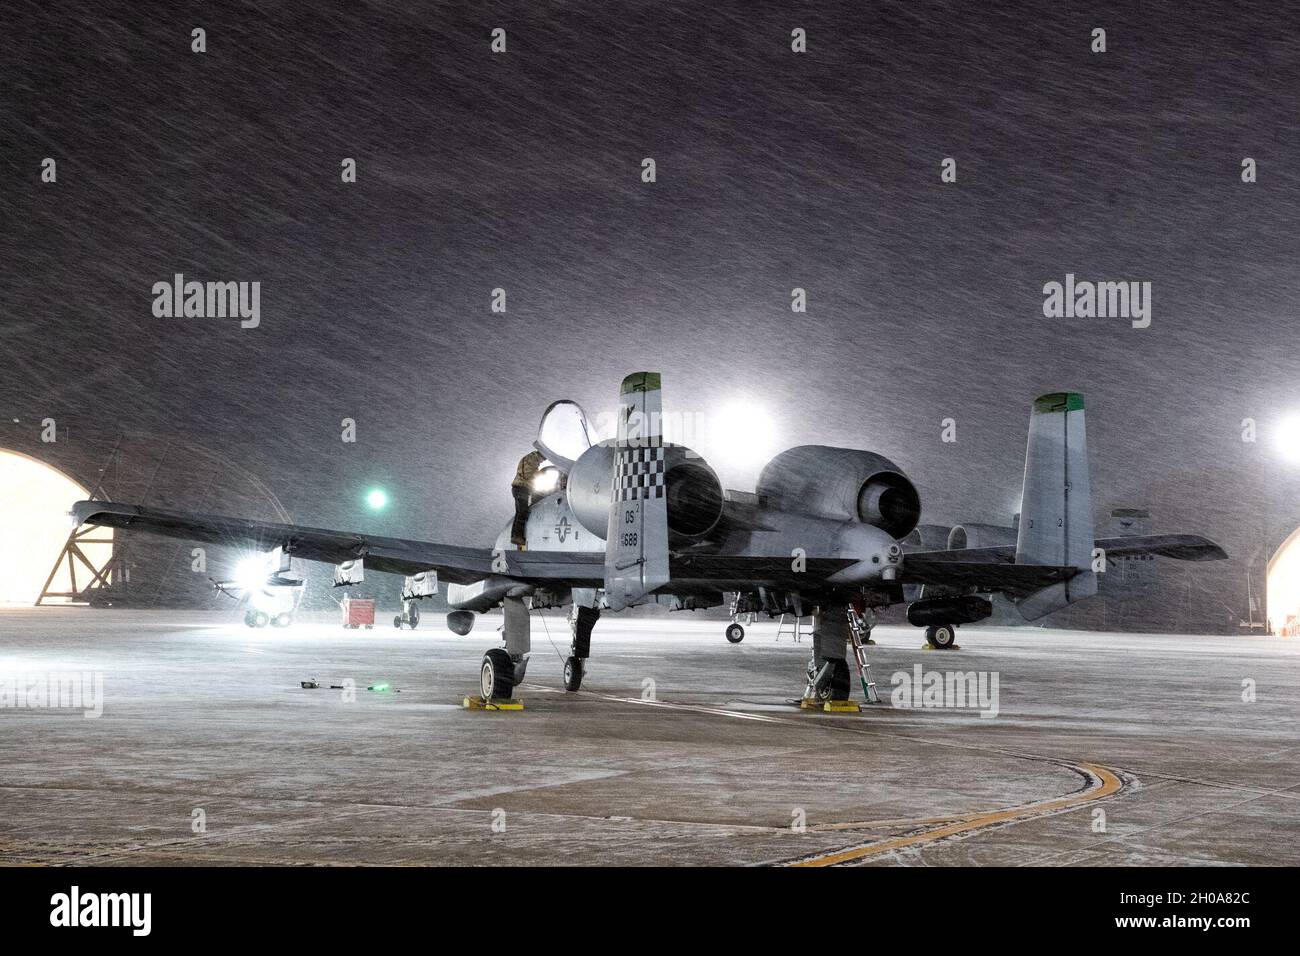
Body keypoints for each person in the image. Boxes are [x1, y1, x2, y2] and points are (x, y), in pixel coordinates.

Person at [510, 450, 545, 548]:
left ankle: (516, 536)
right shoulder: (532, 459)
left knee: (521, 512)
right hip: (521, 488)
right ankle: (517, 537)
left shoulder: (531, 458)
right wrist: (541, 476)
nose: (542, 461)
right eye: (543, 459)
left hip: (521, 488)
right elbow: (529, 474)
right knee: (522, 512)